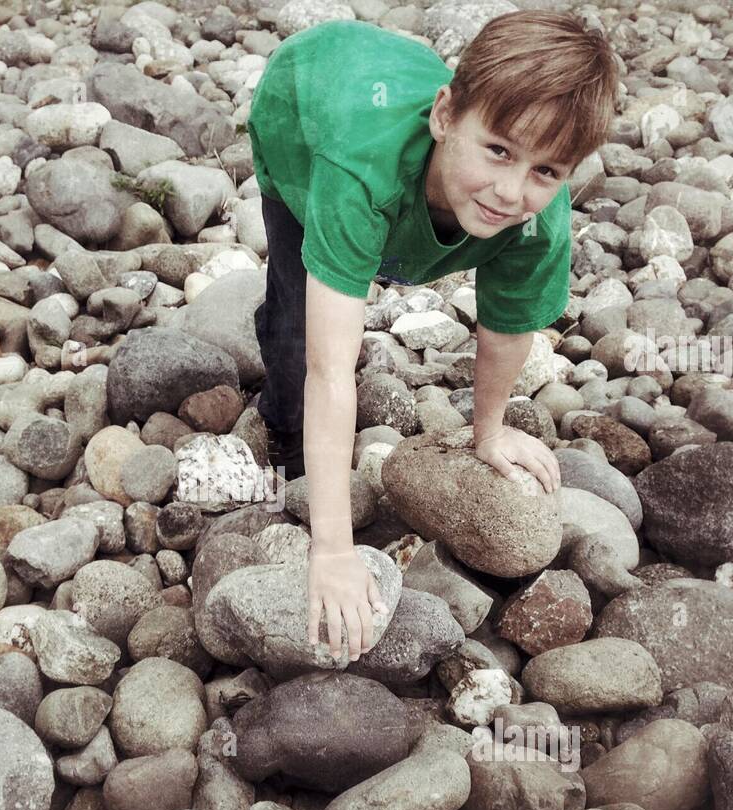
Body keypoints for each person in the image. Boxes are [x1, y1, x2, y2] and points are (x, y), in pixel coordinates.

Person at [246, 11, 619, 664]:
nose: (511, 191)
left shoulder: (536, 217)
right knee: (296, 311)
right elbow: (330, 368)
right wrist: (332, 548)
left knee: (407, 243)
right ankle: (282, 425)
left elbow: (506, 328)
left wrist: (490, 429)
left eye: (546, 171)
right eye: (498, 150)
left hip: (381, 107)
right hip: (302, 111)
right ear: (445, 116)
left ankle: (387, 246)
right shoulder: (358, 165)